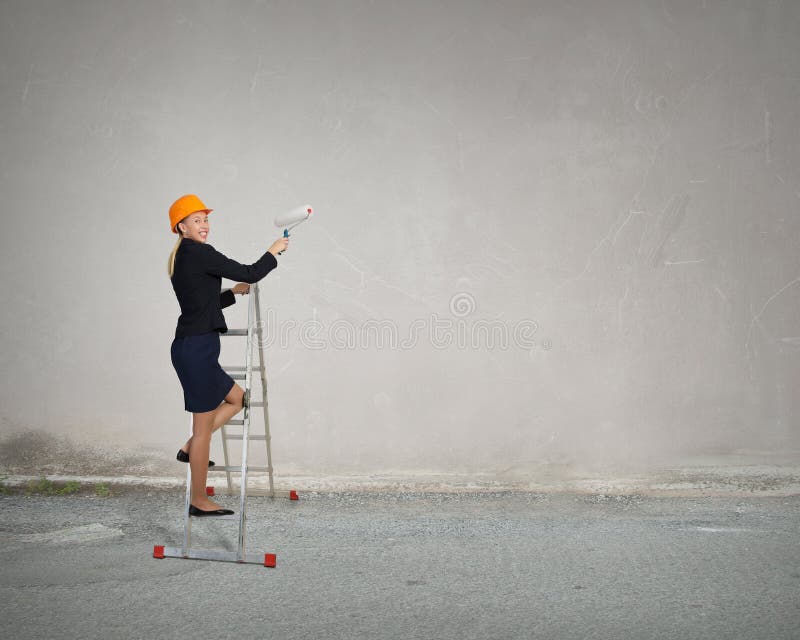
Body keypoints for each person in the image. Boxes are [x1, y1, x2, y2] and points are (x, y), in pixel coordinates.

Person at [166, 194, 288, 516]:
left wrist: (232, 293)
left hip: (192, 349)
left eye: (205, 219)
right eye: (196, 220)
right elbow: (249, 271)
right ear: (181, 227)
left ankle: (190, 447)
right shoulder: (200, 254)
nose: (204, 225)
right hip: (197, 351)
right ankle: (198, 500)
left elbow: (202, 306)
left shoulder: (183, 258)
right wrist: (273, 252)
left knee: (238, 398)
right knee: (203, 429)